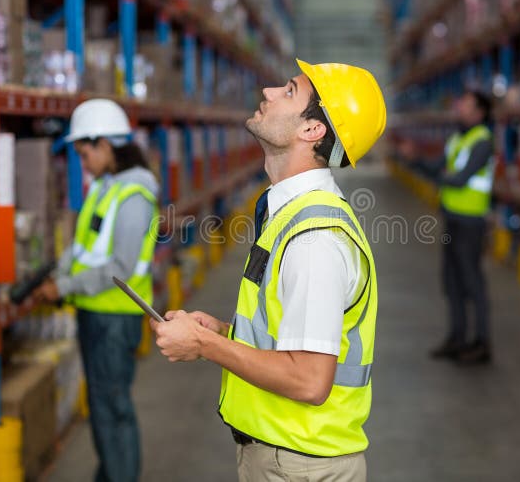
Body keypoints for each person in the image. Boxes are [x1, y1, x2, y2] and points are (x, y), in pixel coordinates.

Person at [150, 60, 385, 481]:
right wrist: (224, 332)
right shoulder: (289, 213)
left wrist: (203, 344)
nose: (269, 92)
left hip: (300, 465)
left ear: (312, 131)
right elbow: (290, 335)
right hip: (286, 457)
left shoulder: (315, 241)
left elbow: (311, 381)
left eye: (290, 91)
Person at [33, 98, 158, 482]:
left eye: (84, 152)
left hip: (114, 318)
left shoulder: (134, 196)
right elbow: (84, 245)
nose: (82, 162)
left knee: (112, 409)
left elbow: (119, 267)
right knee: (104, 408)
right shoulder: (106, 187)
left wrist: (65, 286)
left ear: (105, 145)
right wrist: (56, 273)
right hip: (95, 311)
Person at [402, 90, 494, 365]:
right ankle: (457, 338)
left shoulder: (482, 141)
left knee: (472, 281)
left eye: (466, 105)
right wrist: (414, 158)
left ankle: (482, 342)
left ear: (480, 113)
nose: (459, 108)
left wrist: (443, 176)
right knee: (452, 281)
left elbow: (460, 179)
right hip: (452, 218)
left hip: (471, 222)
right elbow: (437, 168)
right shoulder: (457, 138)